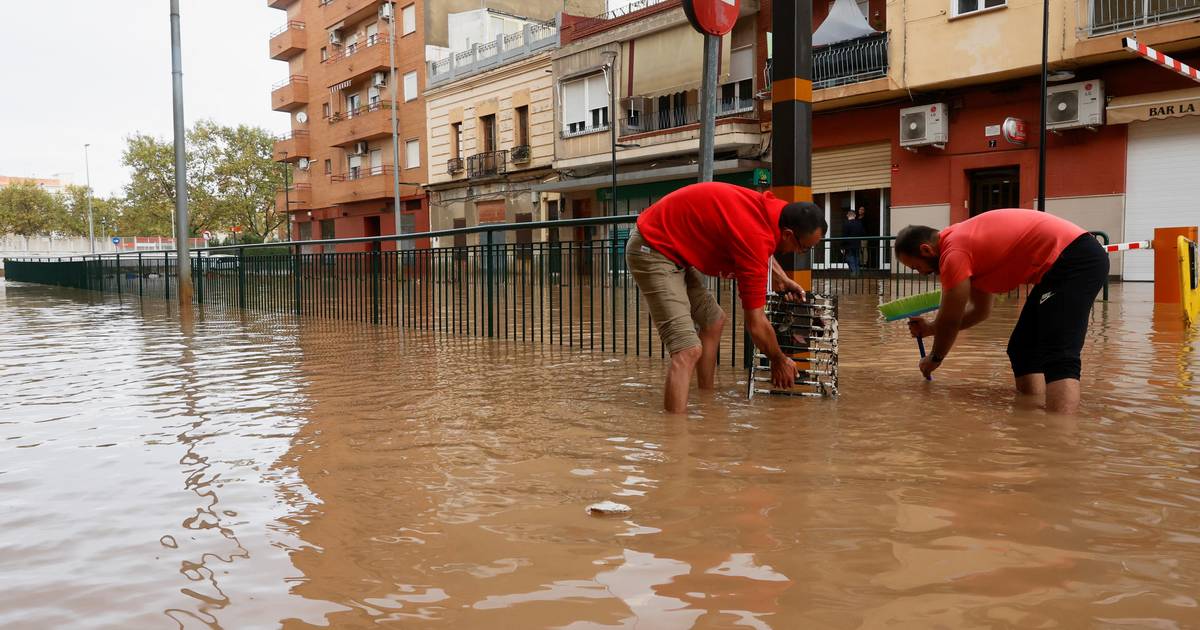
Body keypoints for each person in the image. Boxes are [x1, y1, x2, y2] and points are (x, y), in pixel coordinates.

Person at [626, 182, 828, 413]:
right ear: (788, 234)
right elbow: (756, 324)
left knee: (714, 321)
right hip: (652, 248)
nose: (800, 254)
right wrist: (779, 360)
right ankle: (675, 441)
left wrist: (782, 279)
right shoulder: (755, 237)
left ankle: (706, 402)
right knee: (687, 350)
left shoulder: (777, 212)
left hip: (673, 249)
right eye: (803, 248)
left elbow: (762, 247)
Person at [894, 209, 1108, 414]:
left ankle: (1062, 434)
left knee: (1059, 351)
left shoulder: (954, 253)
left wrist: (934, 358)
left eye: (916, 268)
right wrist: (931, 329)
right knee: (1022, 350)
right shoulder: (967, 247)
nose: (922, 274)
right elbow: (980, 311)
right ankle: (1033, 418)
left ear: (926, 250)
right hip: (1059, 266)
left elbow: (950, 320)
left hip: (1075, 259)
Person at [842, 209, 866, 275]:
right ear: (855, 216)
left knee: (850, 258)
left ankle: (853, 272)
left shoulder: (846, 224)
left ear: (847, 215)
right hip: (857, 245)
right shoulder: (859, 223)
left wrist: (842, 246)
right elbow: (863, 233)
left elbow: (844, 236)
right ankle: (857, 273)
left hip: (848, 245)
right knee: (856, 259)